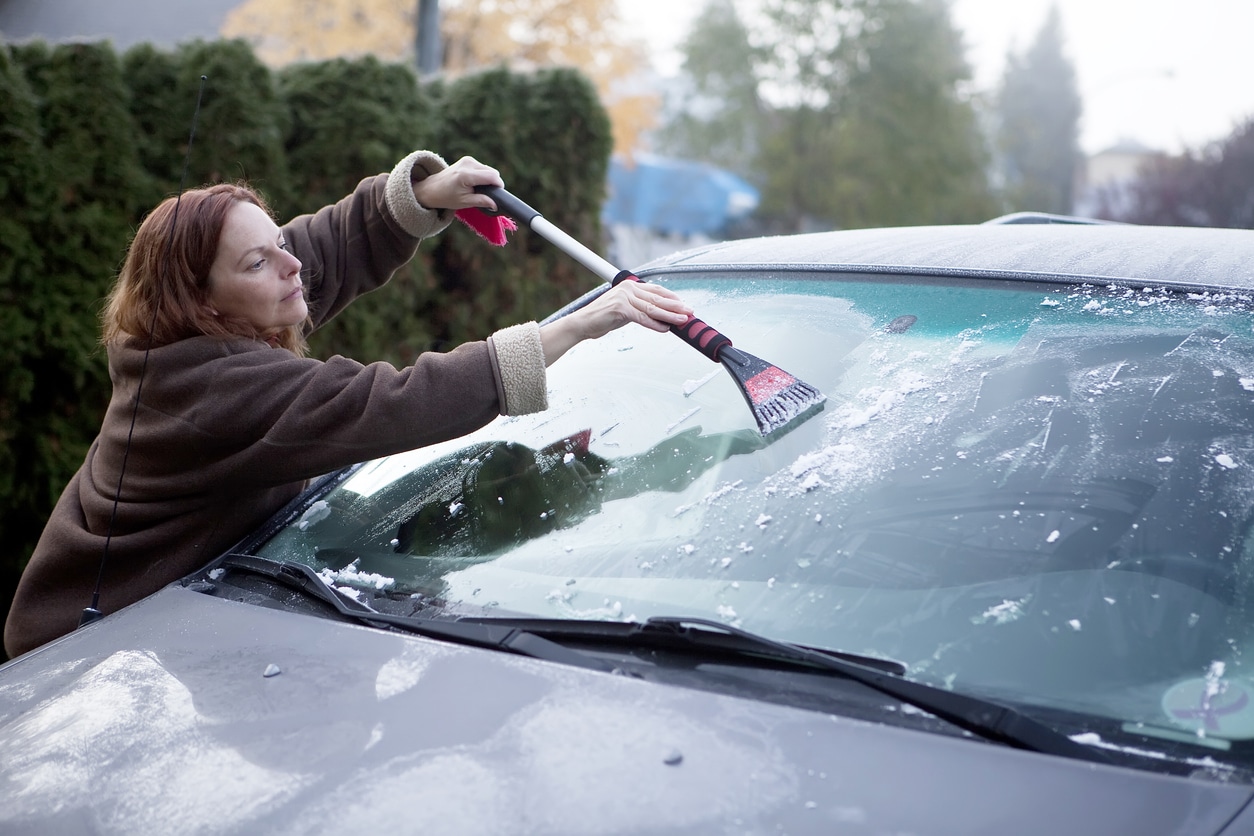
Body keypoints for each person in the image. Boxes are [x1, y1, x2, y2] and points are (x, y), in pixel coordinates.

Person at [3, 150, 692, 658]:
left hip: (170, 620)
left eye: (275, 241)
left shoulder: (194, 327)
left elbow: (318, 248)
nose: (289, 265)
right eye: (257, 263)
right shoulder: (208, 390)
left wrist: (425, 193)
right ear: (201, 301)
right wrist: (571, 327)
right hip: (82, 654)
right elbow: (387, 402)